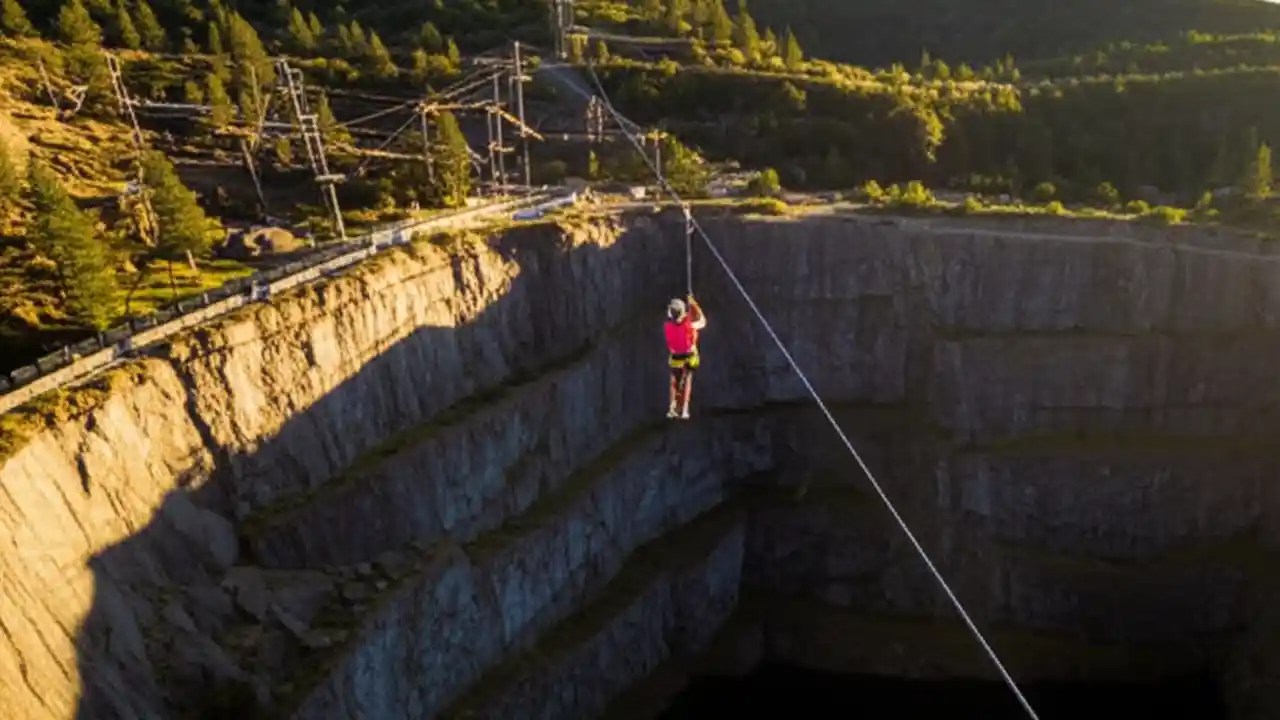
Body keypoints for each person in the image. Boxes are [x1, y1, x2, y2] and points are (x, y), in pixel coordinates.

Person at [665, 295, 707, 419]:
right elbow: (703, 321)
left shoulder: (667, 326)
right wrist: (694, 304)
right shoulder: (689, 325)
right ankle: (684, 410)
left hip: (676, 357)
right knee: (687, 378)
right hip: (690, 356)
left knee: (675, 380)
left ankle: (673, 406)